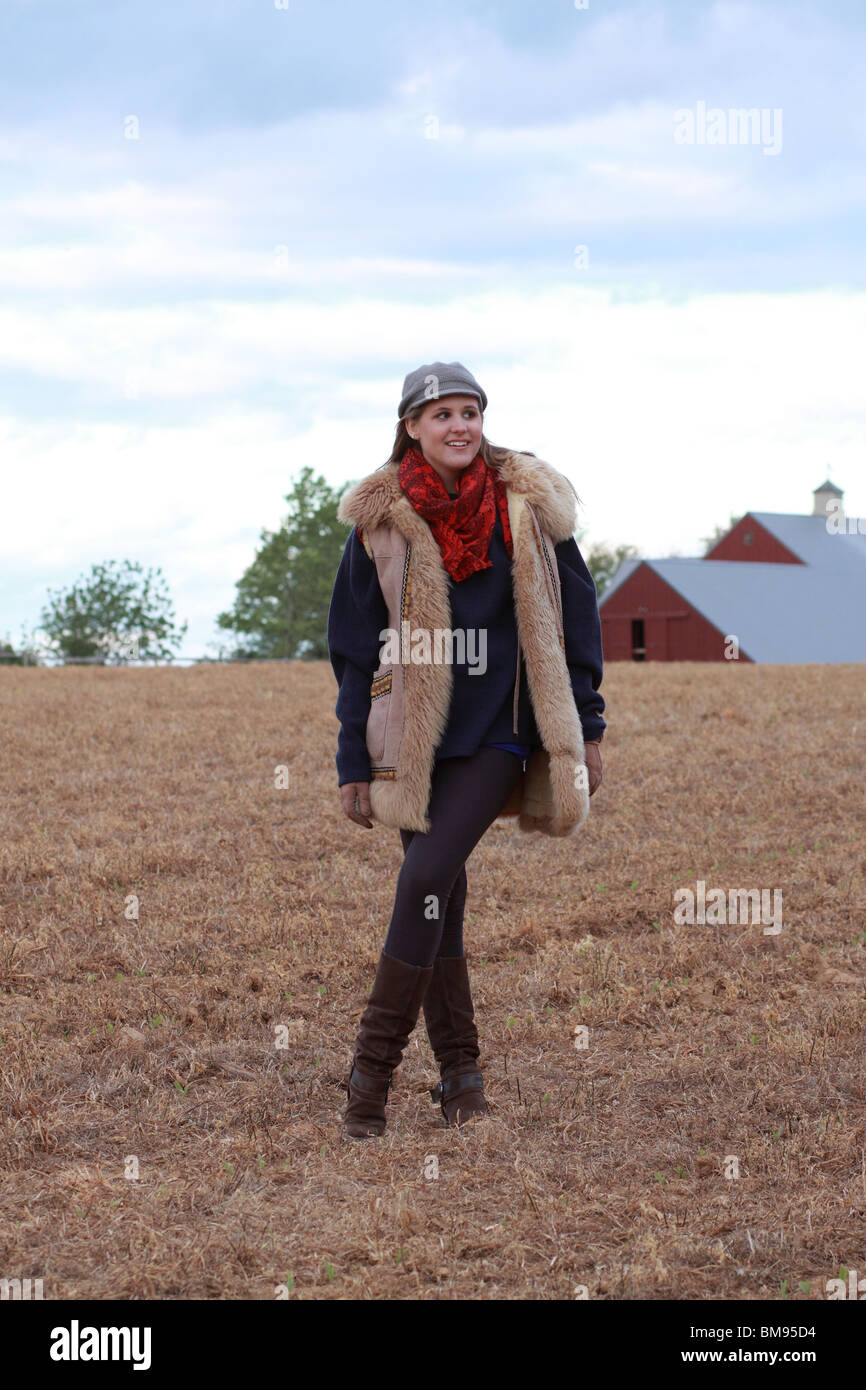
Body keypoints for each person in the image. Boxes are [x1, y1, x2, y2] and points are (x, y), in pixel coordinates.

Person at [327, 361, 605, 1139]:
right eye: (442, 413)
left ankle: (368, 1077)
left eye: (470, 412)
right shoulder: (381, 523)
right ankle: (462, 1080)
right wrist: (353, 760)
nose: (459, 426)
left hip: (501, 730)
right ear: (411, 427)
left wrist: (588, 726)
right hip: (414, 740)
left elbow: (576, 619)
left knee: (425, 873)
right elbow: (353, 650)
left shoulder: (528, 509)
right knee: (438, 897)